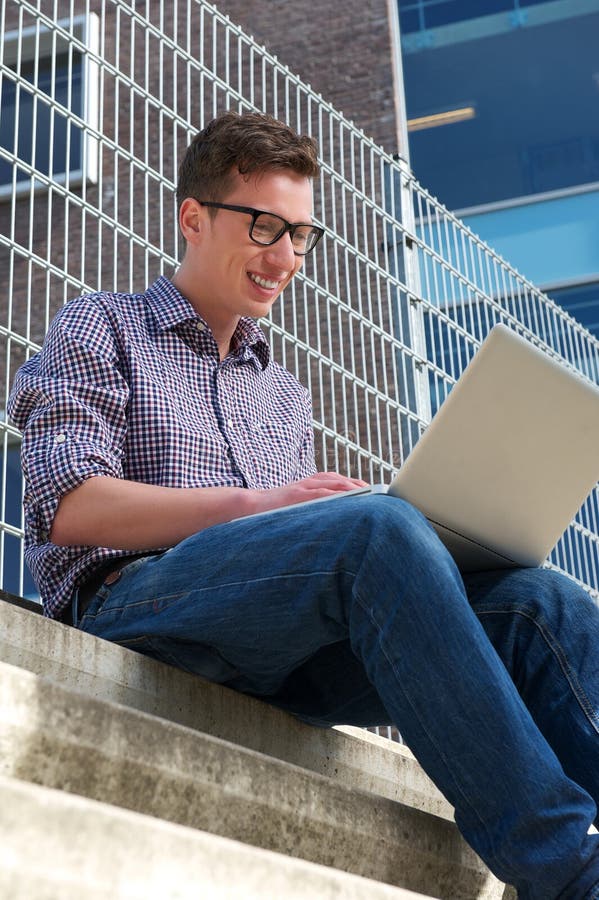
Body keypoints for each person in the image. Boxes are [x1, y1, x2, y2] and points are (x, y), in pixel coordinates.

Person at [8, 109, 599, 899]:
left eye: (299, 235)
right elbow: (68, 504)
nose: (284, 256)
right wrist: (264, 504)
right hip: (131, 608)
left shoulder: (281, 392)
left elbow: (302, 559)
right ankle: (570, 874)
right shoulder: (102, 324)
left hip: (274, 651)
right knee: (374, 530)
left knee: (537, 600)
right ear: (193, 218)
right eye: (263, 227)